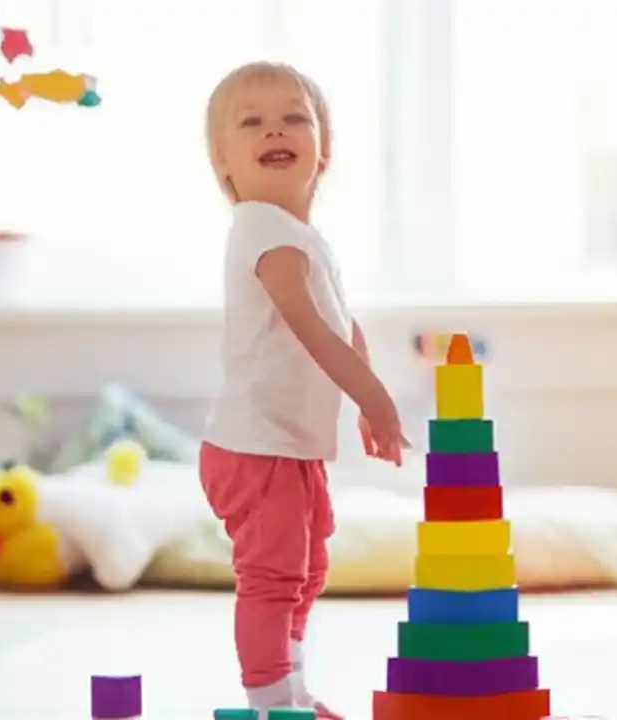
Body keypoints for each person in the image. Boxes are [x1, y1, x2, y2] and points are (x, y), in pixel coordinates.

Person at [199, 61, 409, 719]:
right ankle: (271, 702)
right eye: (252, 122)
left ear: (324, 151)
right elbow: (312, 330)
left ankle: (290, 693)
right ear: (224, 163)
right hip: (257, 446)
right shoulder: (263, 230)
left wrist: (363, 395)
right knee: (273, 578)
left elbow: (342, 321)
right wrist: (373, 399)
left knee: (308, 569)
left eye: (294, 117)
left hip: (287, 446)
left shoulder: (300, 236)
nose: (275, 131)